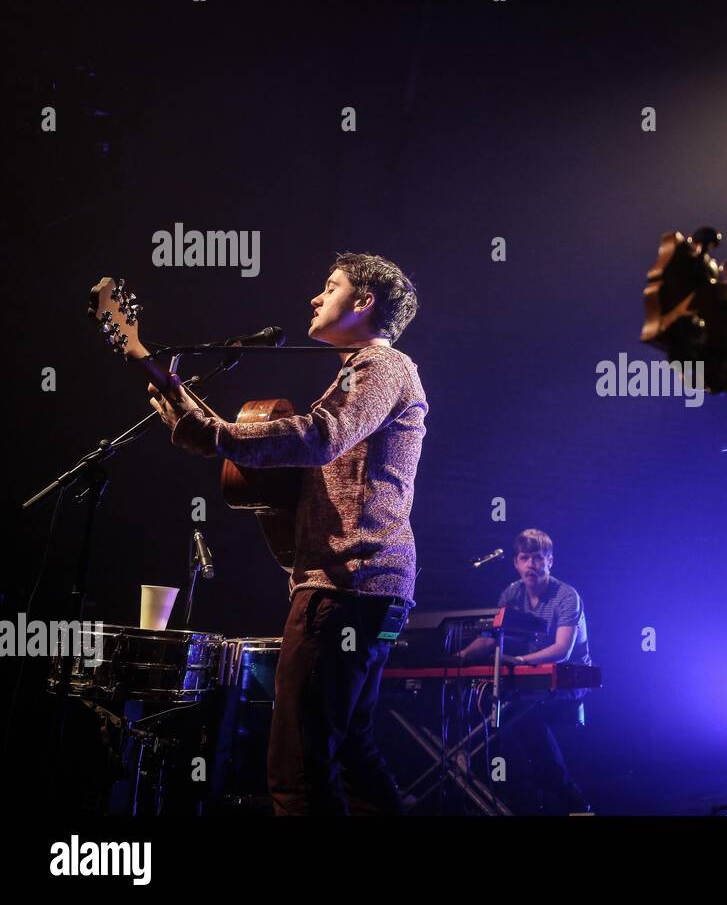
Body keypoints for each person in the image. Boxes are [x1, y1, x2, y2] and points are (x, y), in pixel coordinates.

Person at [149, 252, 425, 815]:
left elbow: (322, 436)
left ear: (365, 302)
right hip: (371, 585)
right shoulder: (363, 372)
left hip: (347, 584)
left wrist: (215, 437)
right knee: (348, 750)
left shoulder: (382, 365)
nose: (315, 298)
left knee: (297, 764)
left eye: (331, 286)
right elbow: (310, 457)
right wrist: (207, 425)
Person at [458, 528, 592, 814]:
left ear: (550, 561)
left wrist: (519, 660)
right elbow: (491, 637)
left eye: (538, 558)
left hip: (570, 678)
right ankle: (558, 794)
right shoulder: (511, 593)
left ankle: (550, 792)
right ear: (516, 563)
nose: (531, 564)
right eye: (525, 558)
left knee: (521, 714)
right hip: (530, 681)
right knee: (497, 707)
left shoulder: (567, 596)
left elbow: (562, 651)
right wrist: (460, 657)